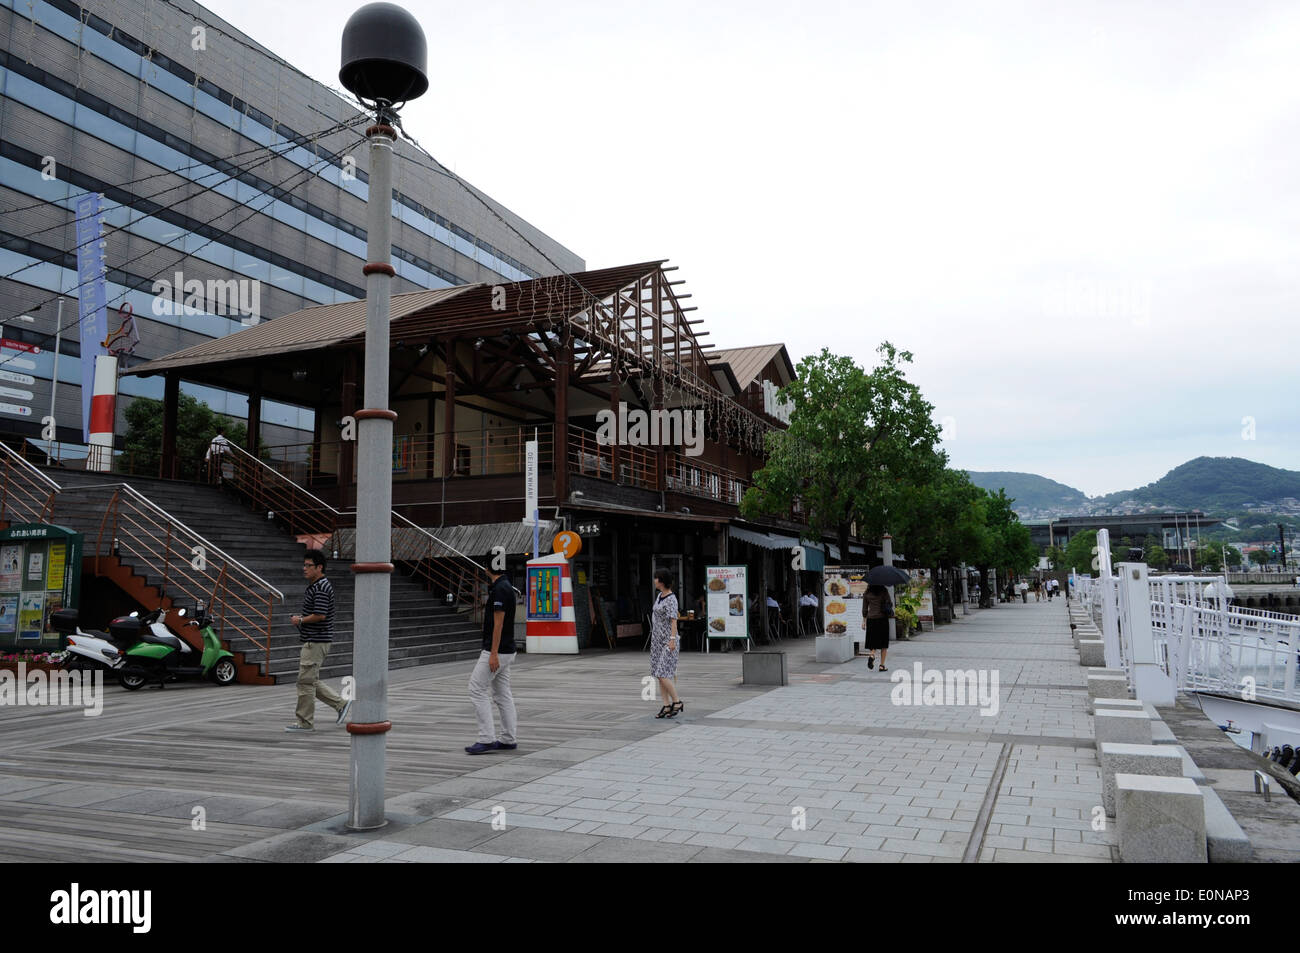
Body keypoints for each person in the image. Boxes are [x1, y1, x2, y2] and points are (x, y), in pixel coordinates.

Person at [285, 550, 350, 731]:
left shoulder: (321, 587)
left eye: (309, 566)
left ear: (319, 567)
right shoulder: (318, 585)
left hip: (316, 641)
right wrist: (302, 619)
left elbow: (320, 615)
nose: (304, 569)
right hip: (316, 640)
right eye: (304, 565)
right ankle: (341, 704)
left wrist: (300, 620)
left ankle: (305, 722)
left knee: (305, 682)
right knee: (310, 679)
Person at [466, 567, 518, 754]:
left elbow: (499, 623)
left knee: (476, 688)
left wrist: (493, 652)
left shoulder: (499, 589)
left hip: (496, 650)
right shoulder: (507, 586)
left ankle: (486, 737)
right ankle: (508, 738)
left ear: (487, 568)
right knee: (502, 693)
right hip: (507, 649)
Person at [649, 569, 683, 718]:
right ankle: (666, 705)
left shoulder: (671, 599)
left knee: (663, 673)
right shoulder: (659, 597)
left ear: (662, 581)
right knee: (658, 673)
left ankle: (677, 701)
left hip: (668, 641)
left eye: (656, 578)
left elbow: (673, 620)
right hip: (656, 641)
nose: (654, 580)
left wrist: (672, 639)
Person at [860, 583, 892, 670]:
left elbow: (864, 609)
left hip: (871, 619)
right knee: (883, 643)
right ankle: (882, 665)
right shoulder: (884, 591)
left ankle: (872, 655)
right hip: (882, 619)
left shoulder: (867, 593)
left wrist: (864, 621)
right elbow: (889, 603)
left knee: (873, 640)